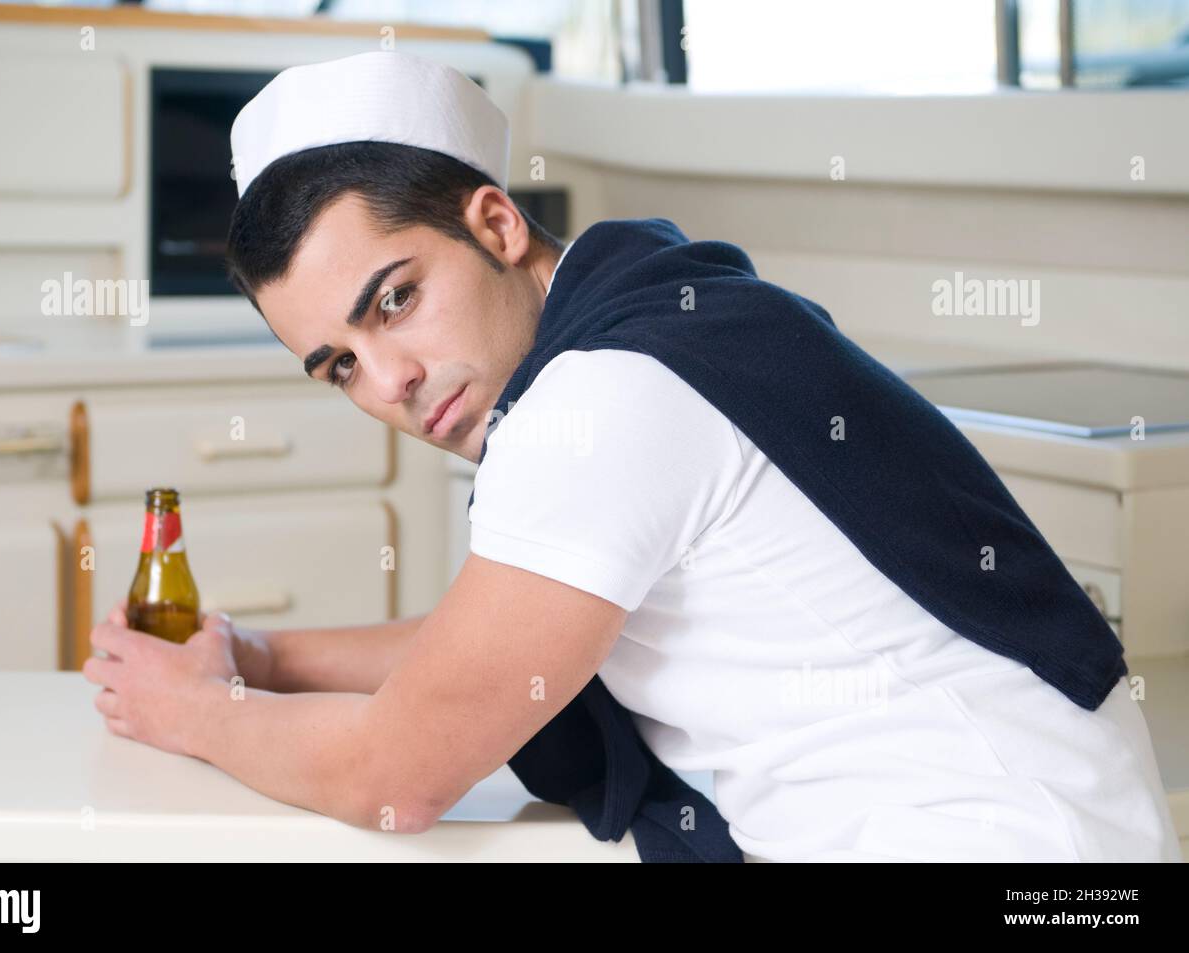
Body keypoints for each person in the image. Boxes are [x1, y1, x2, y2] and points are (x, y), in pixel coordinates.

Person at [84, 51, 1182, 862]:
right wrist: (260, 655)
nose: (390, 380)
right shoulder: (656, 304)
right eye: (338, 363)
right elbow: (494, 638)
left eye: (398, 300)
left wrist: (188, 712)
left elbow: (399, 772)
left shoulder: (597, 402)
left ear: (497, 224)